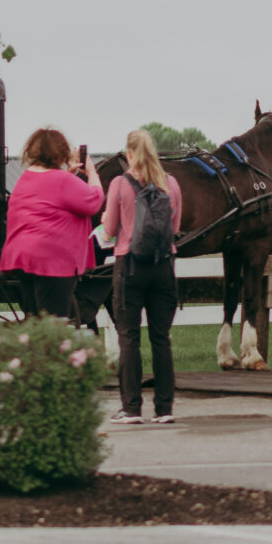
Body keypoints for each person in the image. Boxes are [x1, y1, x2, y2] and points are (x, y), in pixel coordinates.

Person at [100, 128, 184, 425]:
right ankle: (164, 409)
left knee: (129, 338)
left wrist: (107, 222)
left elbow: (109, 229)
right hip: (163, 267)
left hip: (130, 267)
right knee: (161, 338)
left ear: (130, 154)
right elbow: (174, 228)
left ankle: (132, 408)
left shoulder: (120, 185)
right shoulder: (171, 184)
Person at [0, 127, 103, 320]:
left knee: (35, 320)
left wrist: (69, 174)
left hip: (22, 258)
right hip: (52, 260)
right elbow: (94, 200)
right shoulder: (62, 180)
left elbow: (52, 197)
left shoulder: (26, 177)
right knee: (53, 323)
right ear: (61, 153)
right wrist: (91, 172)